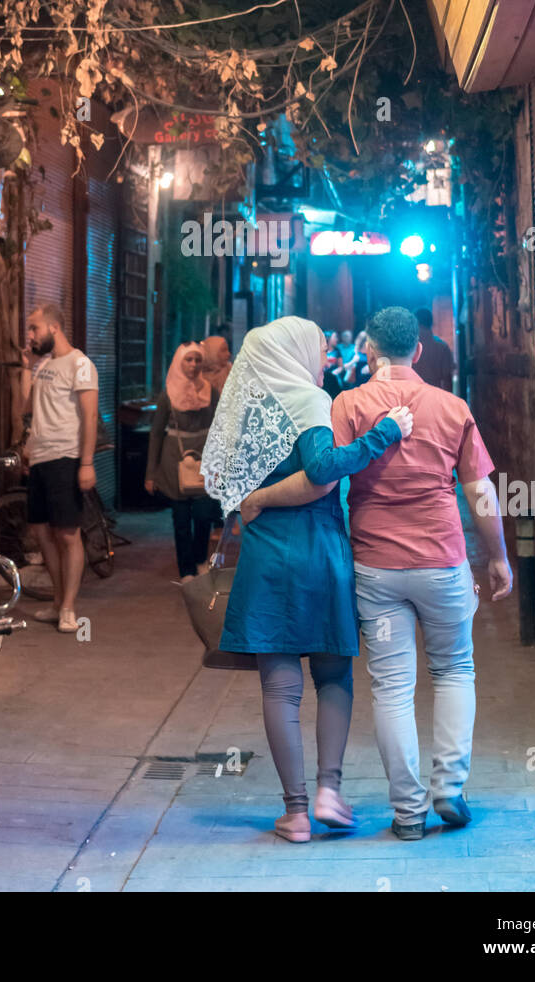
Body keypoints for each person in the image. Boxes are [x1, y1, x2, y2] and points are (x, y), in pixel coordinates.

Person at [201, 317, 412, 844]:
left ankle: (295, 812)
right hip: (317, 552)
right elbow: (323, 472)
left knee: (279, 685)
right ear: (294, 353)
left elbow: (229, 484)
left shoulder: (249, 414)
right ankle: (328, 792)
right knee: (333, 676)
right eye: (317, 349)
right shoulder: (310, 403)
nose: (324, 359)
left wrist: (259, 499)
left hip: (266, 556)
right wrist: (385, 432)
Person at [332, 306, 512, 839]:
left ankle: (407, 812)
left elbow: (333, 479)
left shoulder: (349, 404)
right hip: (442, 563)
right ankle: (449, 789)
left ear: (369, 351)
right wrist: (497, 556)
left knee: (391, 689)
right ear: (418, 351)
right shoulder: (451, 407)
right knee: (454, 670)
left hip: (376, 567)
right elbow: (479, 491)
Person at [22, 303, 99, 634]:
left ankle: (69, 607)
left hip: (66, 458)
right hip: (39, 458)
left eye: (34, 328)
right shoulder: (42, 366)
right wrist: (26, 368)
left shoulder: (80, 364)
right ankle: (56, 602)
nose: (30, 335)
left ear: (54, 328)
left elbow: (90, 416)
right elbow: (25, 409)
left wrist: (86, 463)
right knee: (42, 532)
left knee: (68, 534)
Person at [145, 343, 220, 583]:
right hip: (173, 461)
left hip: (205, 459)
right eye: (188, 360)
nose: (193, 365)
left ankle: (200, 560)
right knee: (180, 520)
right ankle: (186, 571)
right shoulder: (168, 393)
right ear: (179, 362)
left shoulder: (211, 391)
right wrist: (151, 473)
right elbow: (156, 433)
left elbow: (221, 428)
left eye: (197, 360)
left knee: (203, 515)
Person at [412, 307, 454, 392]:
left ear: (415, 323)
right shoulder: (442, 347)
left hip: (412, 396)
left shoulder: (408, 346)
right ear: (431, 323)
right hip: (434, 396)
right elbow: (447, 379)